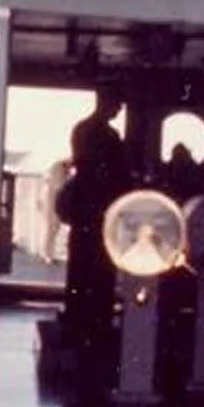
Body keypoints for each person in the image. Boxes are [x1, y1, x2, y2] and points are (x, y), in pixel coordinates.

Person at [55, 89, 130, 353]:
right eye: (117, 105)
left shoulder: (81, 130)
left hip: (84, 212)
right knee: (99, 272)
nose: (119, 111)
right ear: (106, 104)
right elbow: (115, 173)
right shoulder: (109, 136)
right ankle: (96, 323)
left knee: (80, 270)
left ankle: (77, 319)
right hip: (100, 212)